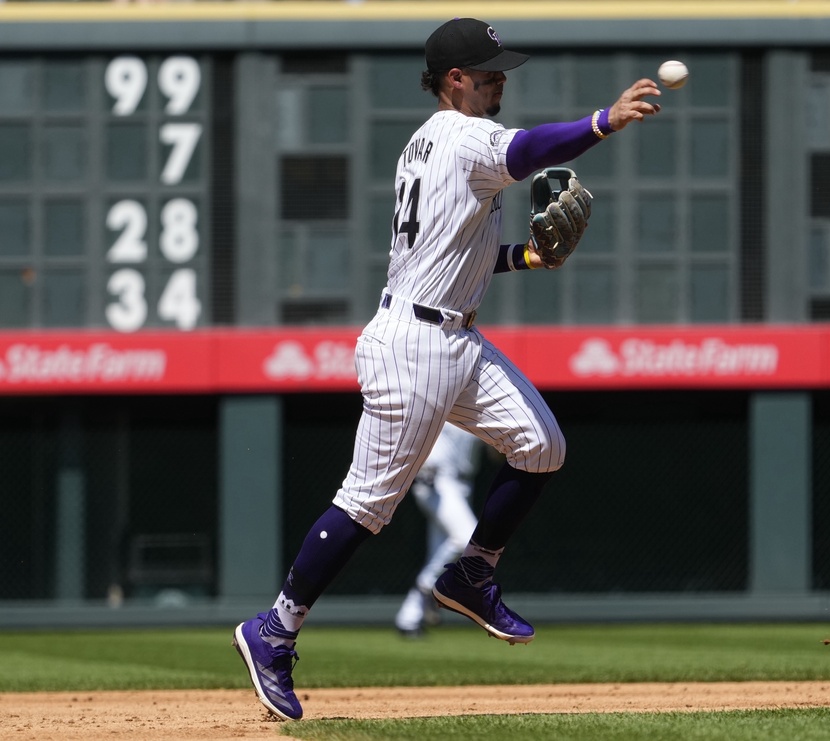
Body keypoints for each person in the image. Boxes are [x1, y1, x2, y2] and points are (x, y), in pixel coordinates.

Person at [232, 16, 661, 721]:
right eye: (488, 72)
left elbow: (455, 251)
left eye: (500, 71)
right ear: (453, 79)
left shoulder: (427, 143)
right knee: (367, 504)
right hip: (414, 346)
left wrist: (526, 256)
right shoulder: (466, 136)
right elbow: (530, 149)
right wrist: (604, 120)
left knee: (542, 446)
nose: (499, 81)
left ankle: (472, 572)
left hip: (451, 334)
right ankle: (274, 627)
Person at [394, 422, 482, 638]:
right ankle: (427, 588)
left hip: (462, 485)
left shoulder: (481, 409)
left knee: (439, 553)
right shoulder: (445, 397)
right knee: (468, 538)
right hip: (438, 482)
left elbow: (497, 453)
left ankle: (409, 617)